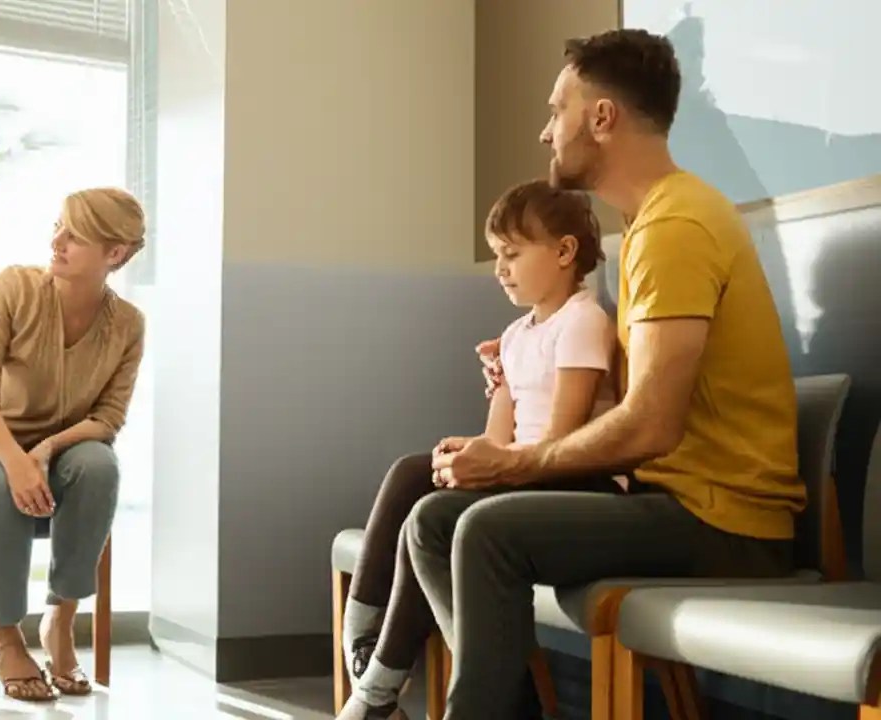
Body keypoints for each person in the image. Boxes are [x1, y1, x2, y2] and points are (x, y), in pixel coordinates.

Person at [410, 29, 804, 720]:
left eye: (556, 110)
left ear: (602, 118)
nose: (544, 131)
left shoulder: (676, 226)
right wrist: (527, 373)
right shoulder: (653, 223)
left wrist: (512, 465)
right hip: (672, 500)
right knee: (435, 520)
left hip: (723, 523)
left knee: (487, 531)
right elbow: (640, 399)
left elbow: (651, 424)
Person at [337, 180, 620, 720]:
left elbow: (561, 441)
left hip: (573, 478)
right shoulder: (514, 336)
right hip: (529, 470)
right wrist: (468, 454)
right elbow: (499, 438)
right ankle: (362, 646)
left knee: (432, 513)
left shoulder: (583, 320)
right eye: (497, 256)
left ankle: (376, 688)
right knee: (413, 472)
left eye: (513, 254)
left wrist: (492, 465)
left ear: (564, 252)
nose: (501, 268)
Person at [0, 187, 145, 703]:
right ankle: (4, 636)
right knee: (2, 485)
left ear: (115, 254)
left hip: (50, 454)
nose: (57, 241)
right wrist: (16, 463)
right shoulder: (13, 288)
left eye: (76, 235)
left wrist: (44, 452)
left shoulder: (128, 324)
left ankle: (60, 622)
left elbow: (107, 419)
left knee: (99, 466)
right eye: (57, 226)